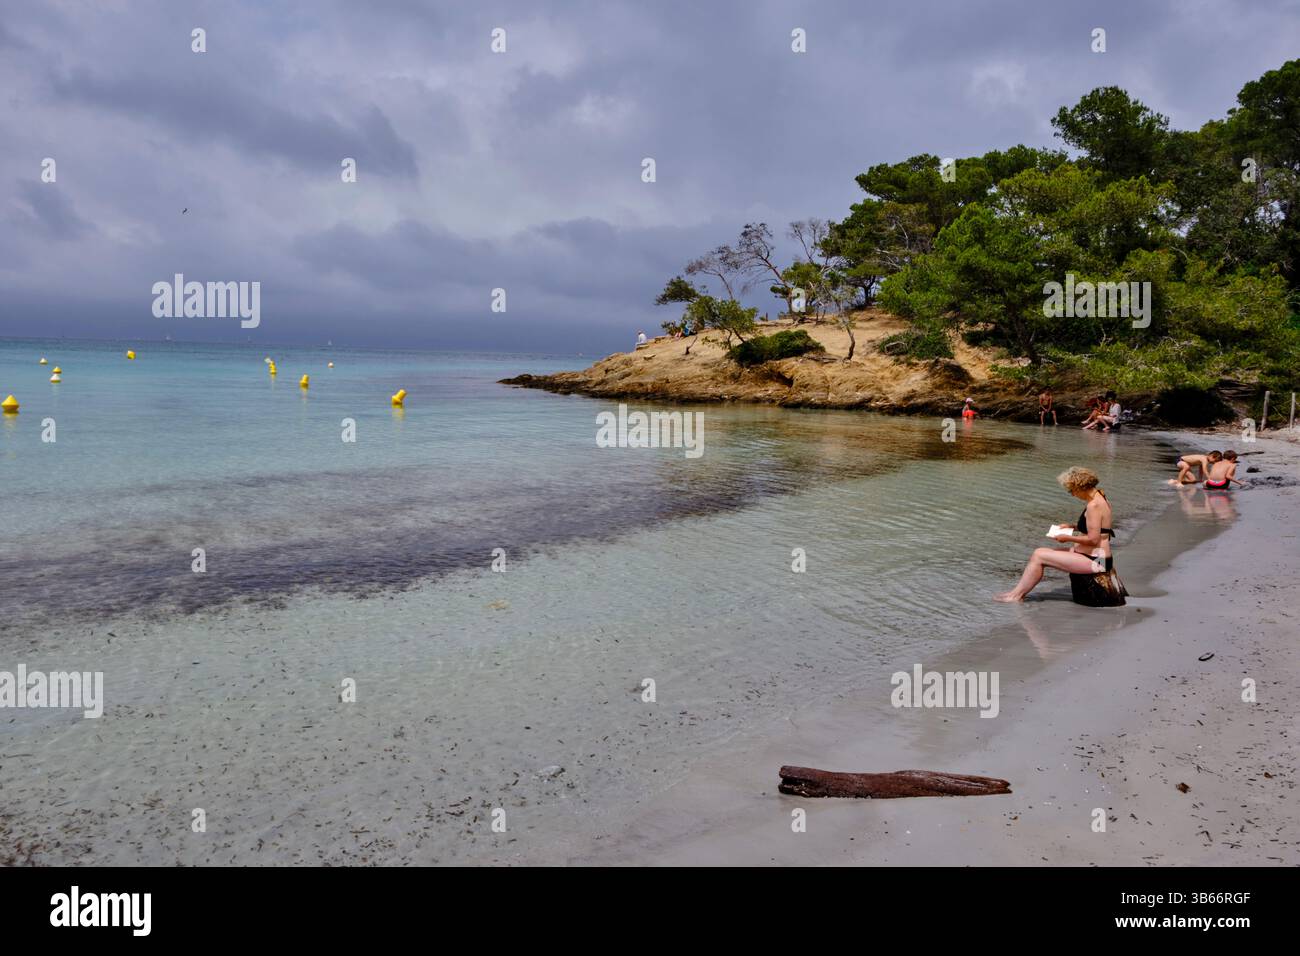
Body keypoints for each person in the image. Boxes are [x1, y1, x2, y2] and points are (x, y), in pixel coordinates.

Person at [995, 466, 1126, 606]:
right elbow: (1100, 528)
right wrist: (1071, 526)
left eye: (1071, 490)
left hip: (1097, 561)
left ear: (1079, 487)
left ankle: (1016, 595)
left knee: (1039, 555)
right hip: (1097, 557)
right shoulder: (1100, 496)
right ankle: (1015, 592)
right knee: (1042, 553)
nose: (1072, 494)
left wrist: (1067, 538)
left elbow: (1093, 540)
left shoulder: (1093, 506)